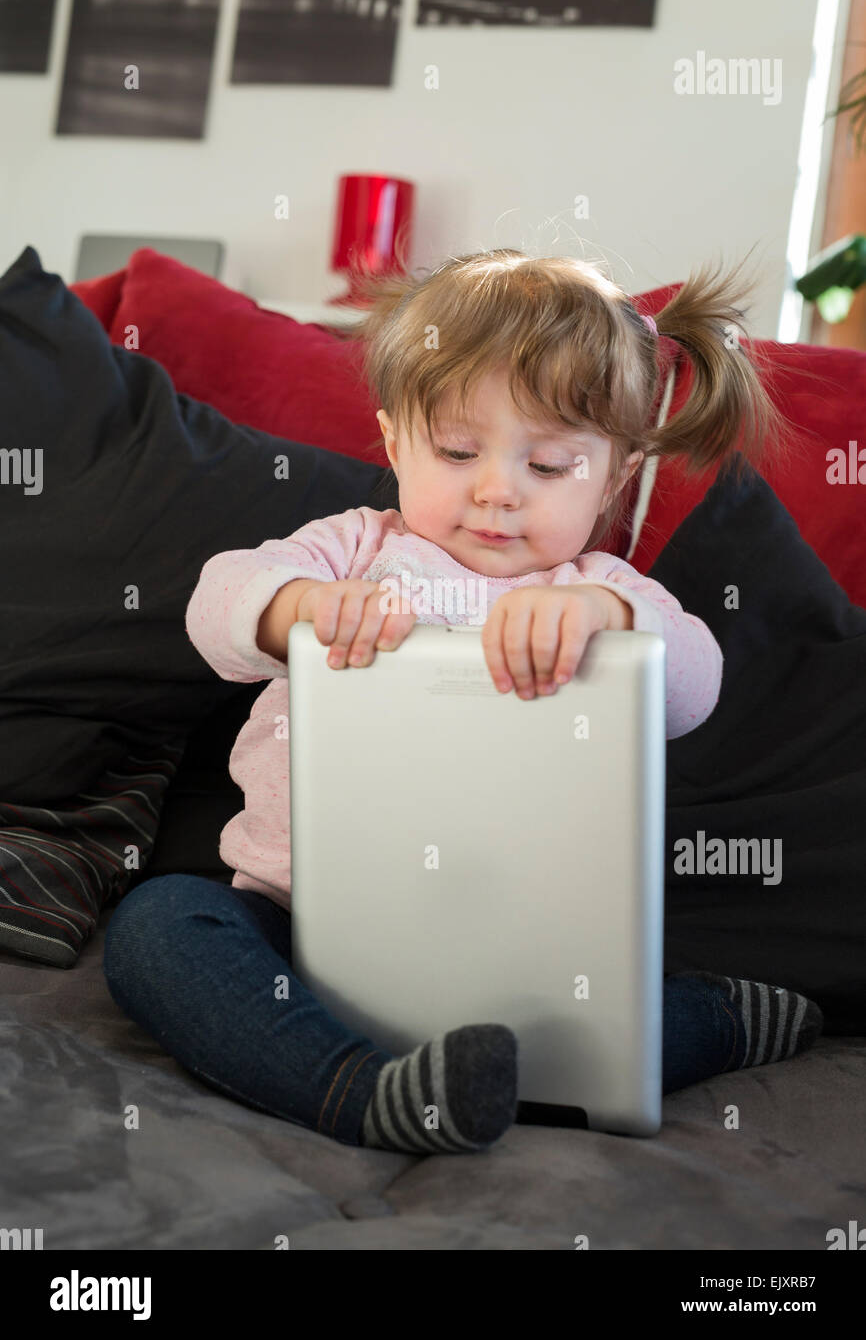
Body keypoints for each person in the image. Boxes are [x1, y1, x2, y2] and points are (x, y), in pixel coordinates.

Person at [103, 248, 823, 1155]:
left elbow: (695, 684)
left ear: (614, 476)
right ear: (396, 439)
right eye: (455, 450)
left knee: (587, 1025)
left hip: (523, 951)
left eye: (551, 464)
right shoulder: (352, 549)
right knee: (159, 930)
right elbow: (217, 604)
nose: (496, 491)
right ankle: (362, 1091)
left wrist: (605, 615)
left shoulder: (600, 588)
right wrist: (296, 609)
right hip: (297, 925)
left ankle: (707, 1020)